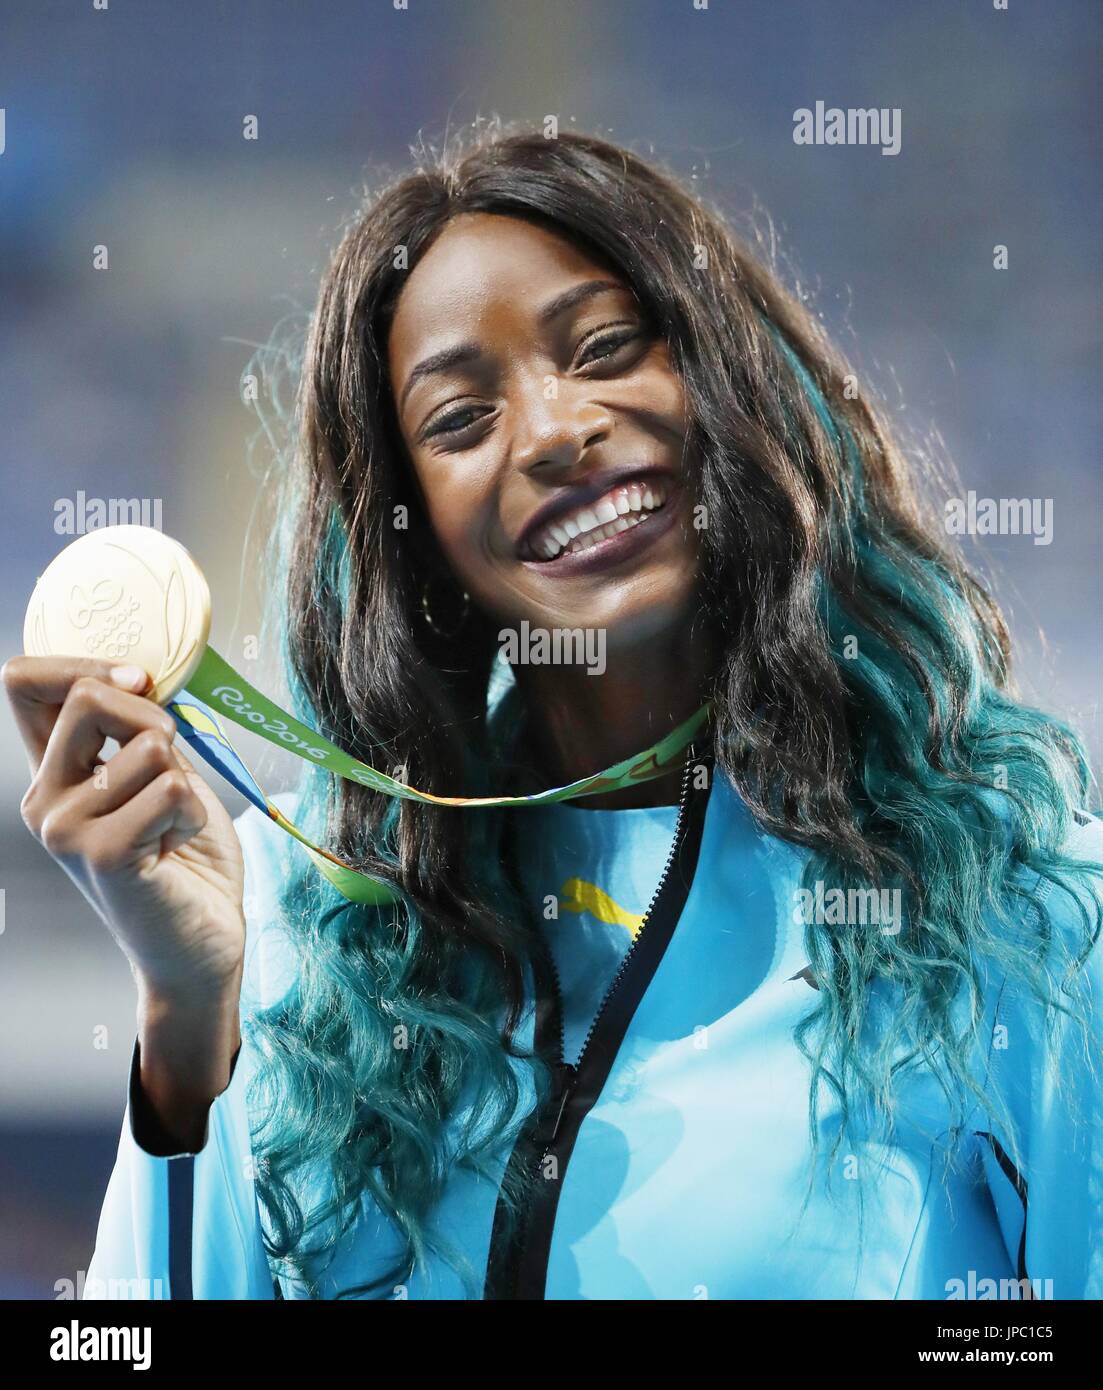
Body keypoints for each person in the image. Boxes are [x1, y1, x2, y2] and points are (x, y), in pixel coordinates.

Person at [6, 120, 1103, 1301]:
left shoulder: (1009, 909)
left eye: (605, 346)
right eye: (461, 420)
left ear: (723, 379)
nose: (554, 431)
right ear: (411, 529)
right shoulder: (300, 920)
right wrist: (183, 1025)